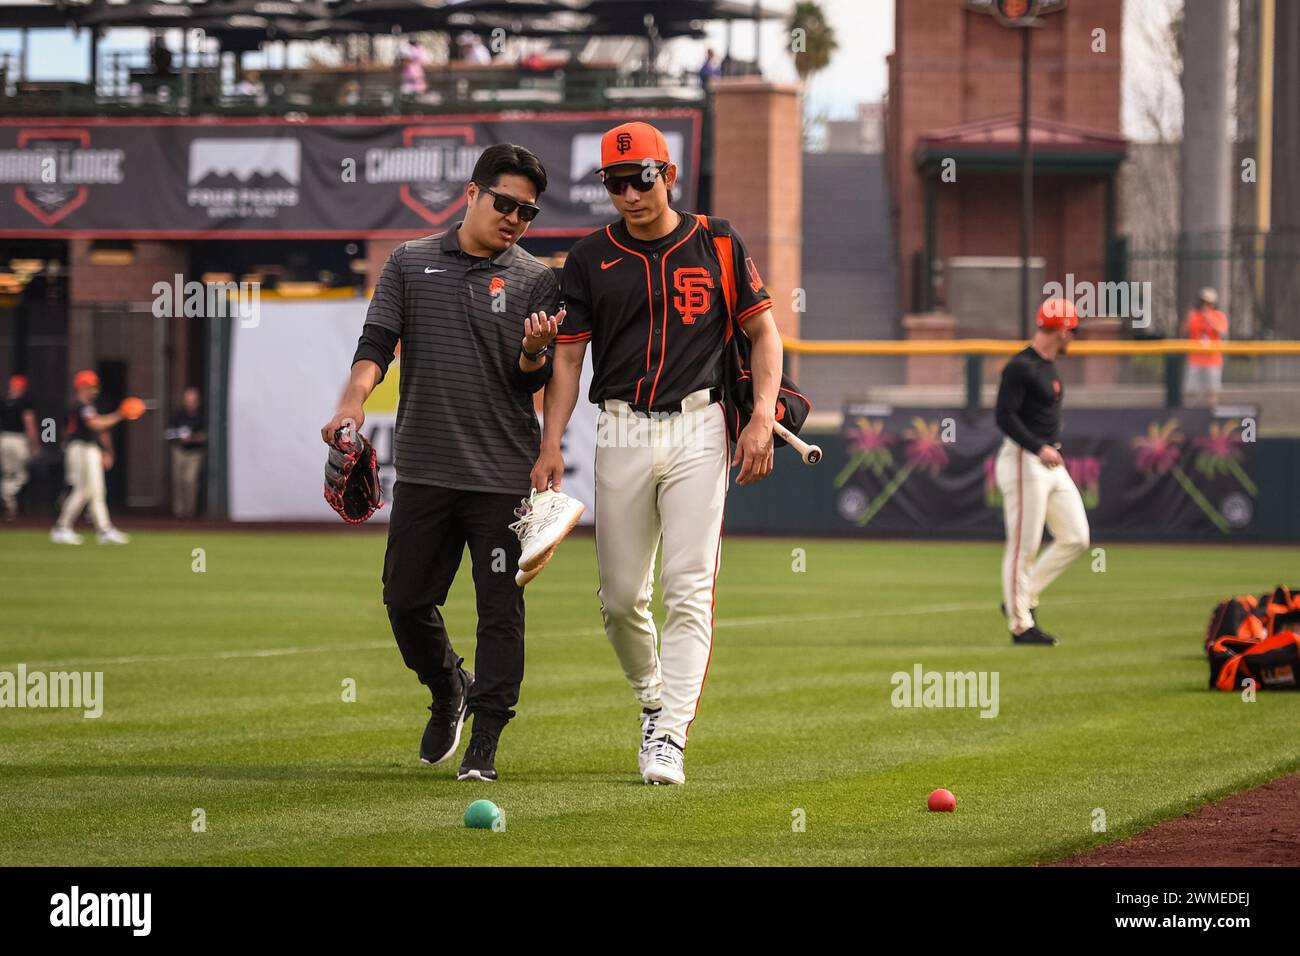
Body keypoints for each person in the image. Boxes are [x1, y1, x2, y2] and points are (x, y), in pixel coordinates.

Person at [320, 144, 582, 784]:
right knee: (405, 601)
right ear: (471, 194)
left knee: (500, 612)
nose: (516, 218)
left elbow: (534, 380)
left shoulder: (537, 280)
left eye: (528, 211)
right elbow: (376, 344)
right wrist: (351, 402)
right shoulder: (409, 262)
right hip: (427, 471)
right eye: (505, 203)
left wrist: (532, 357)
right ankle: (448, 688)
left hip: (502, 480)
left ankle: (485, 745)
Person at [532, 122, 784, 785]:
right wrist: (551, 441)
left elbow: (764, 333)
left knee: (688, 589)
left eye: (640, 177)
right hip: (619, 428)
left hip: (701, 426)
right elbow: (567, 357)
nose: (629, 192)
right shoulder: (589, 258)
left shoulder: (718, 240)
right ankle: (652, 697)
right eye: (615, 182)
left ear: (668, 174)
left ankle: (669, 733)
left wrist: (760, 416)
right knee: (619, 599)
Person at [994, 298, 1090, 647]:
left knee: (1077, 536)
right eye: (1073, 330)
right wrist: (1037, 447)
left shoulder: (1049, 366)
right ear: (1062, 329)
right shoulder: (1021, 366)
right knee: (1024, 546)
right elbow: (1004, 416)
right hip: (1023, 459)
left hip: (1050, 462)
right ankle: (1021, 624)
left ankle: (1019, 597)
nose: (1073, 337)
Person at [51, 370, 130, 545]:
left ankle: (104, 529)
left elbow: (98, 429)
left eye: (95, 386)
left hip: (89, 448)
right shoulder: (80, 407)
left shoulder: (88, 407)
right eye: (91, 386)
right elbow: (95, 424)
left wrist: (105, 451)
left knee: (97, 491)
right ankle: (61, 527)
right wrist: (119, 414)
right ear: (81, 387)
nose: (94, 390)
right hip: (80, 448)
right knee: (81, 491)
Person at [1, 374, 39, 521]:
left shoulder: (3, 401)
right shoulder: (25, 402)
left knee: (7, 474)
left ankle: (10, 505)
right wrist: (35, 445)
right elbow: (29, 424)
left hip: (3, 439)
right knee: (21, 475)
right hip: (18, 440)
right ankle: (7, 495)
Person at [1183, 287, 1229, 407]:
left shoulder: (1219, 316)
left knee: (1212, 392)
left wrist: (1209, 319)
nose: (1205, 305)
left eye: (1208, 303)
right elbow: (1185, 331)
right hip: (1195, 359)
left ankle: (1210, 416)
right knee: (1191, 391)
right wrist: (1191, 318)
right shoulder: (1194, 316)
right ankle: (1191, 415)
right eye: (1203, 302)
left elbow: (1222, 331)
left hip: (1212, 360)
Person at [166, 386, 207, 519]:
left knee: (189, 480)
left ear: (197, 401)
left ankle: (190, 511)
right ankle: (179, 511)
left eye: (193, 400)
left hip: (194, 452)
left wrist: (192, 438)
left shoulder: (202, 416)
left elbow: (205, 435)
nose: (190, 402)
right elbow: (168, 433)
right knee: (178, 480)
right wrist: (179, 437)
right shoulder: (178, 415)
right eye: (188, 400)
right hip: (179, 450)